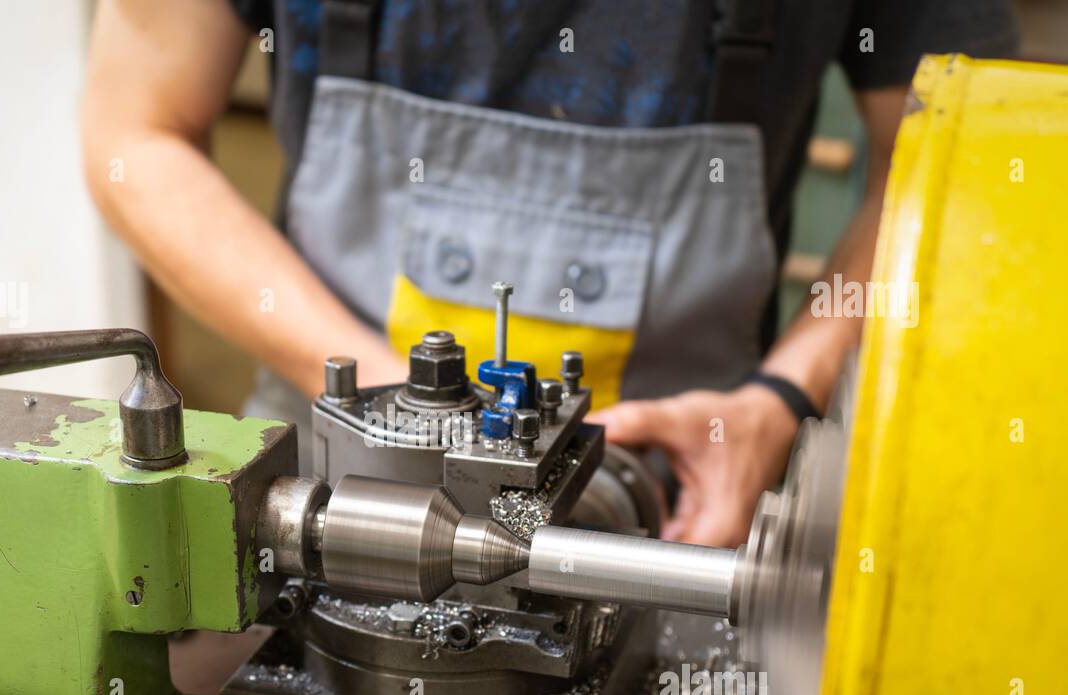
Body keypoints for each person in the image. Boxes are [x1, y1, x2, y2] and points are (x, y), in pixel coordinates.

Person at [82, 0, 1017, 552]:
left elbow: (952, 153)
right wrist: (379, 396)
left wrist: (781, 394)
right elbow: (135, 133)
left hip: (685, 512)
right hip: (325, 492)